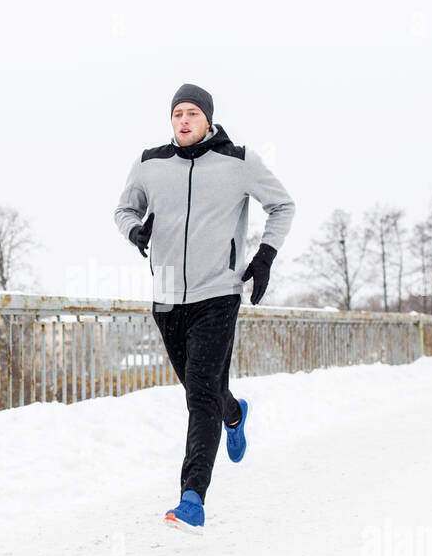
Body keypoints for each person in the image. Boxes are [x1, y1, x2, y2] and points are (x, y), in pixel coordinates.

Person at [113, 82, 296, 532]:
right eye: (177, 114)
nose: (184, 120)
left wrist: (265, 256)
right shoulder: (149, 163)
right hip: (168, 295)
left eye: (193, 113)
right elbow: (123, 210)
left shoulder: (239, 161)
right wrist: (135, 232)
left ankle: (192, 496)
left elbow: (283, 205)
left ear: (208, 119)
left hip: (218, 294)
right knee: (206, 393)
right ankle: (234, 413)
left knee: (198, 389)